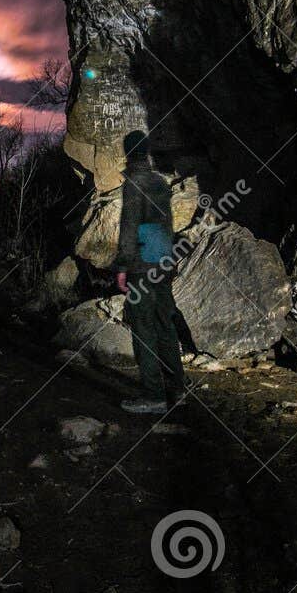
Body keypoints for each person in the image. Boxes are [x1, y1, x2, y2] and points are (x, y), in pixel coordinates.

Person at [113, 130, 186, 414]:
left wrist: (122, 267)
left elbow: (129, 228)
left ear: (129, 153)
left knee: (143, 328)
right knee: (165, 325)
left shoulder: (134, 183)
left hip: (142, 266)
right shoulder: (160, 181)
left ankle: (153, 396)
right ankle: (177, 390)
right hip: (164, 262)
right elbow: (167, 227)